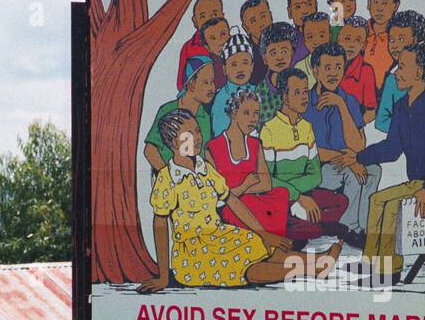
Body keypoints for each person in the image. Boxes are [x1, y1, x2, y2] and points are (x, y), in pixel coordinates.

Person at [139, 109, 340, 290]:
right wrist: (164, 277)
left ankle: (319, 261)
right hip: (194, 255)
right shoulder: (167, 178)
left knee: (261, 244)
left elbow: (232, 201)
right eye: (189, 135)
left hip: (219, 236)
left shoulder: (205, 169)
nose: (197, 138)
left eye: (197, 131)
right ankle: (309, 269)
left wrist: (263, 234)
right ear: (174, 143)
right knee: (248, 268)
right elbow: (160, 225)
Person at [341, 44, 425, 282]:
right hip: (417, 183)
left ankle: (389, 270)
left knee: (394, 205)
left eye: (402, 66)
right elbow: (392, 149)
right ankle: (370, 262)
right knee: (377, 199)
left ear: (420, 72)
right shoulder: (401, 107)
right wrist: (359, 157)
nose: (395, 72)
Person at [303, 42, 381, 249]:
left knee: (373, 170)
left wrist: (341, 106)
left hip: (341, 164)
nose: (333, 73)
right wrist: (346, 158)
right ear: (315, 70)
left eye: (338, 67)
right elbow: (308, 150)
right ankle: (349, 228)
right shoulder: (305, 102)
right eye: (327, 68)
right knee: (353, 173)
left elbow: (358, 146)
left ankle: (363, 229)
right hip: (316, 170)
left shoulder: (349, 101)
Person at [260, 68, 348, 243]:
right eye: (297, 92)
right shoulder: (268, 129)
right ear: (285, 97)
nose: (304, 97)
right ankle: (315, 227)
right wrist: (297, 196)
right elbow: (268, 179)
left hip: (304, 193)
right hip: (280, 198)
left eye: (305, 91)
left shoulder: (306, 127)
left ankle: (305, 222)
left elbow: (316, 175)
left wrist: (302, 196)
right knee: (305, 227)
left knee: (341, 202)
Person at [205, 88, 290, 235]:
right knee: (249, 207)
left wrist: (239, 191)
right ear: (234, 114)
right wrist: (245, 185)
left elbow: (266, 183)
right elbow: (216, 196)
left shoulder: (255, 144)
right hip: (231, 207)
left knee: (281, 193)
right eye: (247, 113)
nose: (253, 119)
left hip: (252, 201)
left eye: (256, 113)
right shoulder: (213, 148)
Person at [144, 55, 216, 171]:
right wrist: (169, 176)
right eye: (205, 82)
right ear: (191, 84)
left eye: (212, 82)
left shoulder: (205, 117)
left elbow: (204, 152)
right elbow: (150, 150)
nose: (211, 87)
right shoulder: (167, 110)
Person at [375, 10, 425, 133]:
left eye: (401, 39)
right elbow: (381, 121)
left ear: (415, 41)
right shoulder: (392, 79)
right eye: (392, 40)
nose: (394, 45)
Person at [211, 28, 257, 136]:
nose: (240, 69)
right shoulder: (221, 98)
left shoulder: (257, 91)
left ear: (252, 67)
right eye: (234, 64)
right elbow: (220, 134)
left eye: (245, 63)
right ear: (225, 69)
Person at [175, 0, 224, 91]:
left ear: (222, 16)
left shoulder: (231, 42)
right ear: (195, 21)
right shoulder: (188, 47)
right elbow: (181, 84)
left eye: (214, 14)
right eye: (202, 16)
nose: (209, 20)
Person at [363, 0, 401, 95]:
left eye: (385, 3)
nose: (379, 8)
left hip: (385, 95)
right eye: (376, 2)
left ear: (395, 6)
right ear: (369, 4)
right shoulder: (360, 30)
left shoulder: (396, 37)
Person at [256, 21, 297, 126]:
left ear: (292, 53)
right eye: (273, 53)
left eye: (284, 51)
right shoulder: (260, 91)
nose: (279, 57)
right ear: (265, 58)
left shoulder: (300, 83)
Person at [337, 16, 377, 122]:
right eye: (347, 39)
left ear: (364, 45)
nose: (351, 45)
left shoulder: (366, 71)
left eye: (358, 40)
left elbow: (371, 112)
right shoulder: (327, 64)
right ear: (338, 39)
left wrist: (355, 127)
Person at [295, 10, 333, 88]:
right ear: (304, 39)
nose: (316, 42)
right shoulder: (299, 68)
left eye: (321, 36)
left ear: (330, 35)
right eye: (310, 37)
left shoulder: (340, 62)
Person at [239, 0, 272, 83]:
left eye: (263, 16)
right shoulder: (245, 53)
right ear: (246, 28)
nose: (261, 24)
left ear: (271, 16)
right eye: (253, 21)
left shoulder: (285, 40)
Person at [286, 0, 318, 64]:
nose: (305, 11)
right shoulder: (287, 39)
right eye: (298, 7)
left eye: (309, 4)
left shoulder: (326, 34)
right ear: (290, 12)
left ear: (316, 7)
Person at [201, 15, 231, 92]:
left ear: (230, 35)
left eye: (223, 34)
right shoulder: (210, 69)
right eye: (213, 38)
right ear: (207, 47)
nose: (221, 41)